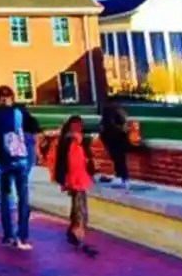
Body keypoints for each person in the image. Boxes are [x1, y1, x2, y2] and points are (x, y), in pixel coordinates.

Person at [0, 86, 33, 250]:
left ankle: (9, 235)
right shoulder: (20, 112)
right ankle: (23, 235)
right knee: (23, 197)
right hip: (21, 159)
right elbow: (33, 132)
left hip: (3, 161)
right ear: (12, 97)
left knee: (5, 198)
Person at [53, 115, 98, 256]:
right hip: (75, 180)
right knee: (80, 210)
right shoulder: (69, 141)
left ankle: (74, 233)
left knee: (78, 208)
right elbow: (63, 162)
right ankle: (78, 236)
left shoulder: (76, 141)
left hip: (79, 179)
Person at [100, 101, 131, 190]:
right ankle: (123, 178)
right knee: (120, 160)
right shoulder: (119, 114)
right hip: (118, 141)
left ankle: (121, 178)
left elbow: (105, 128)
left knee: (118, 159)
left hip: (114, 141)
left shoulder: (108, 116)